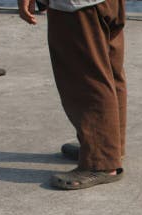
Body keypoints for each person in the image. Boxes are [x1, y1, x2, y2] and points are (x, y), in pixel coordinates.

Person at [18, 0, 126, 189]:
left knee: (85, 78)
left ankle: (100, 161)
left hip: (78, 5)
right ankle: (109, 148)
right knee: (109, 70)